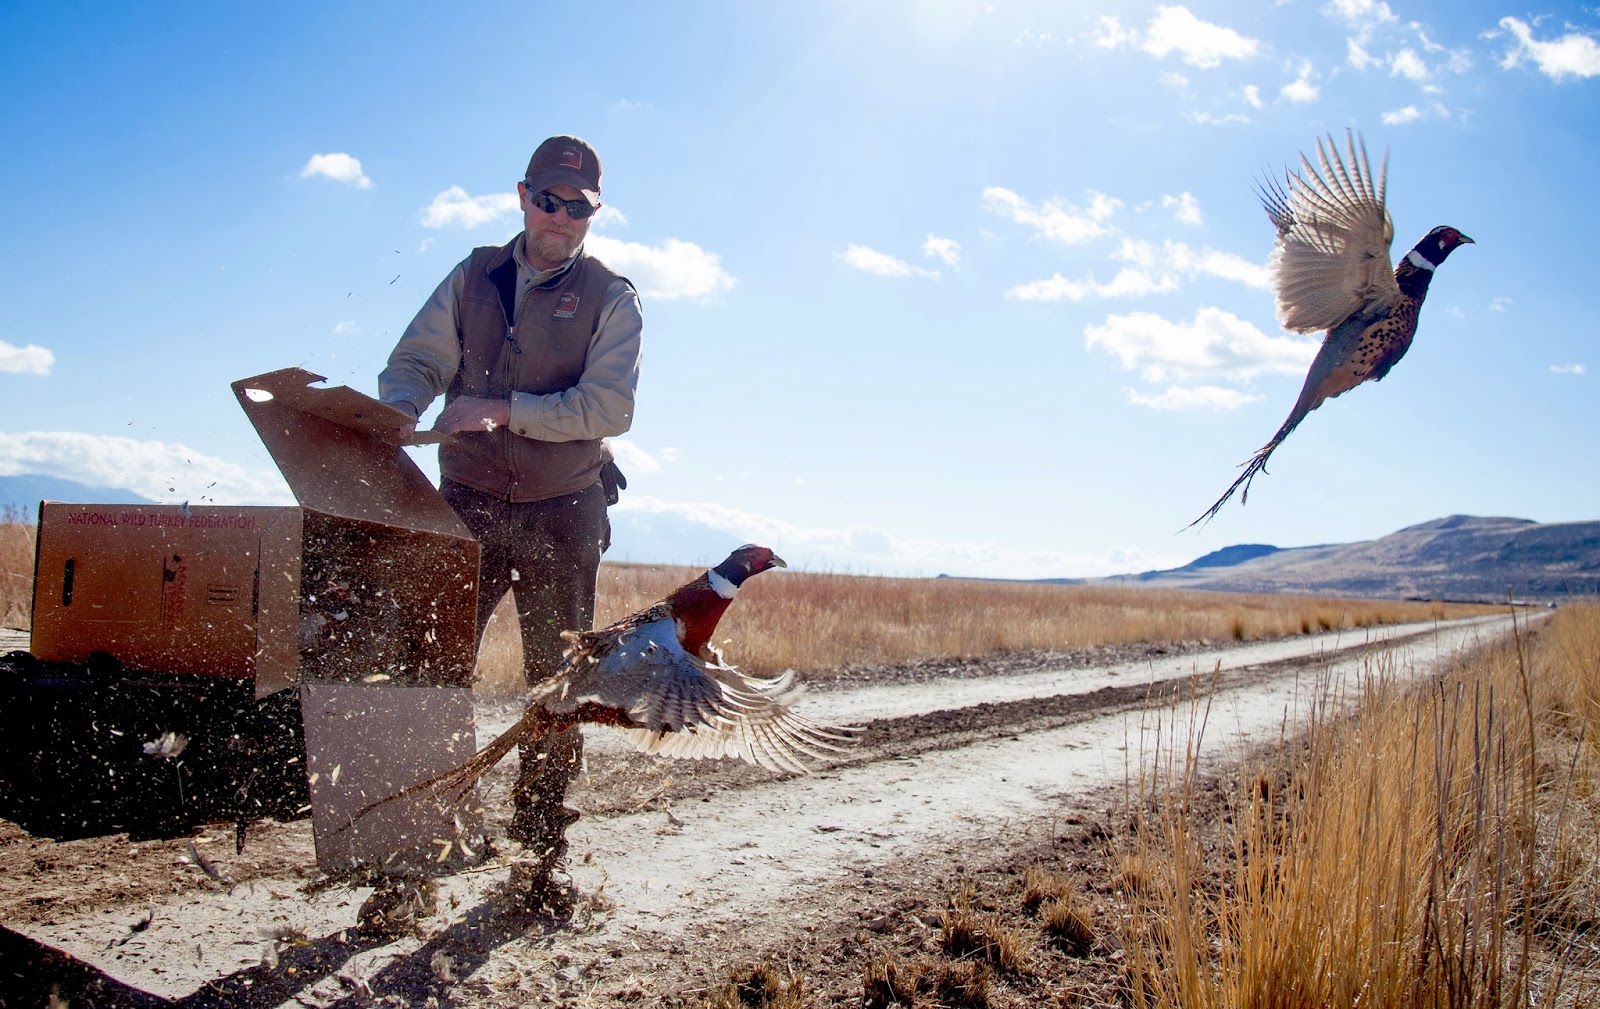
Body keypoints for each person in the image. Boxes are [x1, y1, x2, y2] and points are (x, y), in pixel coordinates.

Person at [378, 135, 642, 897]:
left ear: (594, 211)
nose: (562, 216)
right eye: (549, 199)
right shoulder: (473, 275)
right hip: (466, 502)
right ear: (523, 195)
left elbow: (610, 406)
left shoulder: (611, 296)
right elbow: (418, 359)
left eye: (580, 205)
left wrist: (502, 408)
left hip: (565, 509)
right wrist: (400, 409)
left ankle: (538, 850)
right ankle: (413, 846)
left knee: (556, 685)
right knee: (427, 664)